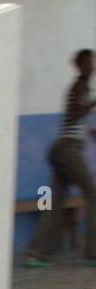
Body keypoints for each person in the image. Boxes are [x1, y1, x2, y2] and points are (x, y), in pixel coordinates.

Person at [25, 48, 96, 267]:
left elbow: (75, 122)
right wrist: (93, 104)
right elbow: (75, 113)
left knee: (53, 202)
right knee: (93, 194)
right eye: (87, 62)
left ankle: (36, 253)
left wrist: (91, 133)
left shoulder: (83, 88)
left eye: (92, 62)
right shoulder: (79, 86)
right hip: (67, 150)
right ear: (79, 65)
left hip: (62, 149)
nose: (91, 66)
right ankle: (92, 254)